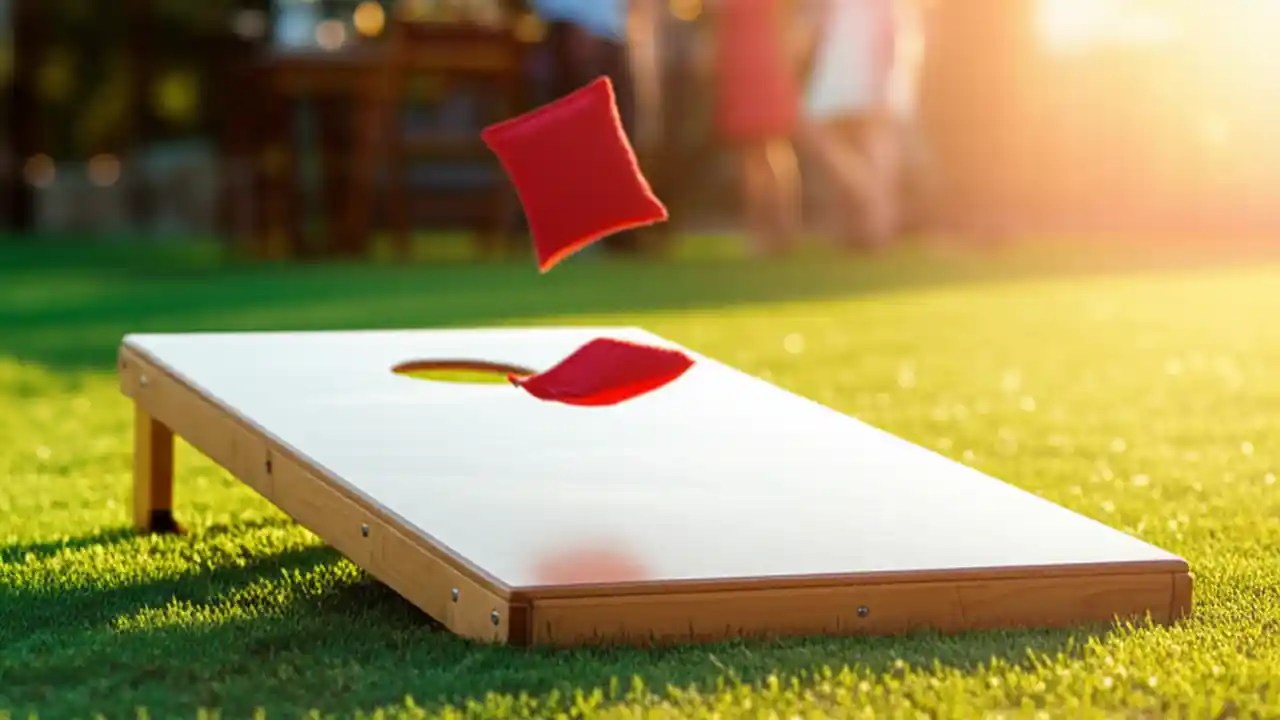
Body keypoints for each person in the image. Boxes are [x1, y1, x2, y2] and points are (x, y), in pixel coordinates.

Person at [529, 0, 663, 255]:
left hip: (611, 33)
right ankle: (578, 231)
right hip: (573, 29)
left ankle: (613, 230)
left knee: (617, 135)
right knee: (577, 136)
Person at [796, 0, 901, 250]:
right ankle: (869, 201)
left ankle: (876, 222)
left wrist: (884, 75)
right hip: (836, 68)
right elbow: (812, 24)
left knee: (873, 143)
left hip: (867, 69)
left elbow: (890, 28)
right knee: (841, 143)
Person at [705, 0, 805, 258]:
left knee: (766, 148)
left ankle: (774, 229)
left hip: (762, 60)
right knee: (757, 151)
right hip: (748, 60)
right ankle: (770, 230)